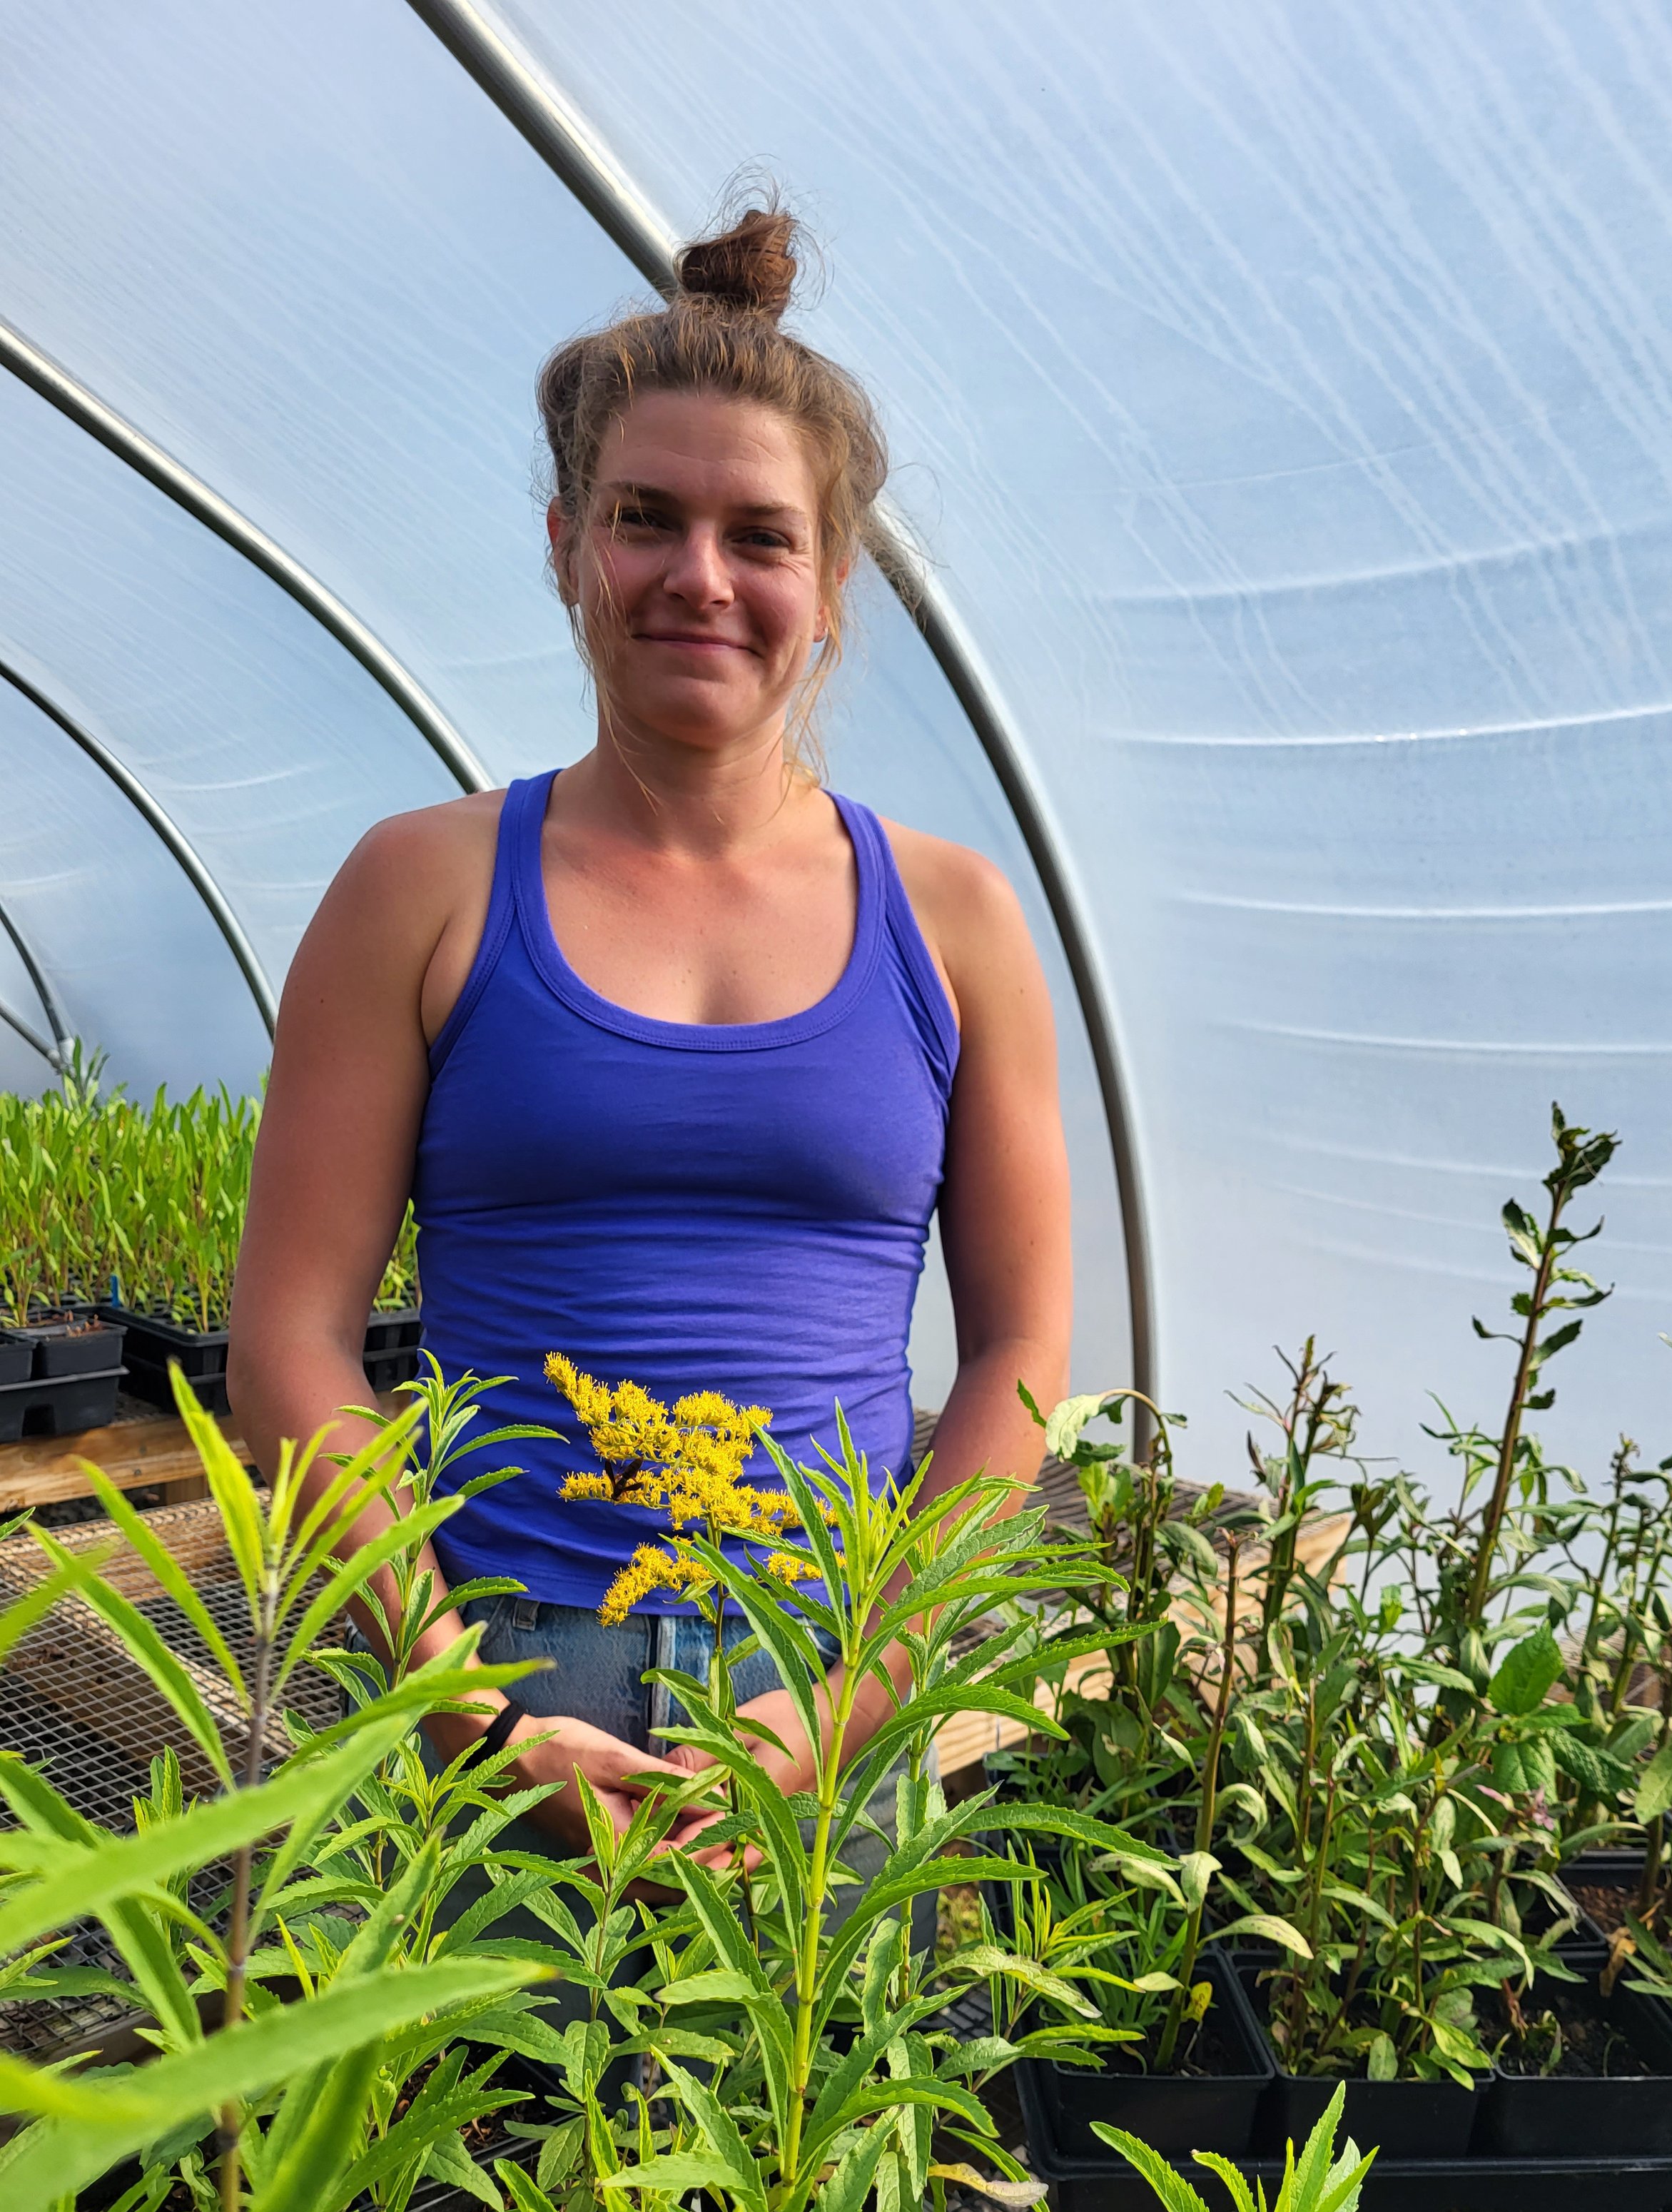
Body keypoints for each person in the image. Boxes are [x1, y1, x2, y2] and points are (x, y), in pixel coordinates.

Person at [228, 204, 1071, 1882]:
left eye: (760, 536)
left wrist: (854, 1694)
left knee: (810, 2068)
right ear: (565, 546)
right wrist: (463, 1701)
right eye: (643, 519)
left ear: (831, 584)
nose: (700, 577)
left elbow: (1018, 1357)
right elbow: (290, 1340)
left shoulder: (953, 918)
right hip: (490, 1664)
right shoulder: (423, 888)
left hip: (823, 1679)